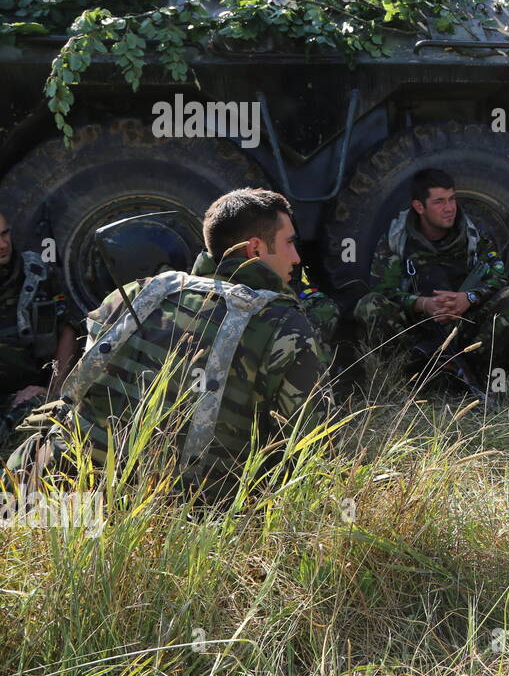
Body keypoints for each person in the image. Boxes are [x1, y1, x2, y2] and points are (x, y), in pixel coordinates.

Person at [6, 189, 327, 497]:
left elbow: (80, 392)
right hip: (182, 518)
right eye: (289, 243)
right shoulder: (284, 325)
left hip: (65, 498)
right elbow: (308, 446)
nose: (297, 257)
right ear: (255, 249)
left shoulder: (138, 293)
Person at [353, 168, 509, 380]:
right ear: (419, 207)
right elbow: (383, 290)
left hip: (464, 327)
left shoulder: (472, 236)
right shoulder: (397, 240)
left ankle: (476, 369)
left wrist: (468, 299)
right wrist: (423, 304)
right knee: (369, 304)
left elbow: (498, 278)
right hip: (416, 329)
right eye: (439, 202)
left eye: (452, 199)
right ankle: (408, 374)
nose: (449, 208)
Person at [0, 210, 77, 440]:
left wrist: (54, 391)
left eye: (5, 234)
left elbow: (68, 328)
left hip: (31, 392)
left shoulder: (36, 276)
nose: (2, 245)